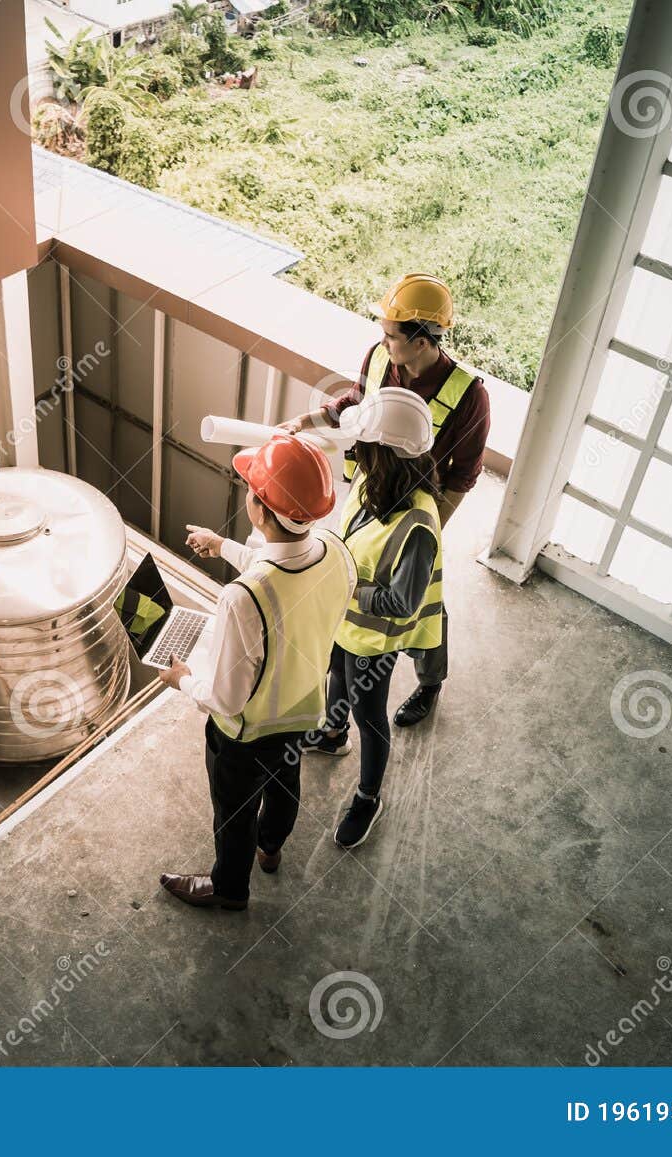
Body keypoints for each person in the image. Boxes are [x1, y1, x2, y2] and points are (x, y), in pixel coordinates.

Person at [156, 434, 357, 911]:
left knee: (234, 810)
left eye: (251, 488)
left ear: (261, 510)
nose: (247, 492)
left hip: (244, 735)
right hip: (302, 711)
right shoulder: (336, 550)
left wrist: (183, 678)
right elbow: (286, 567)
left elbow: (226, 700)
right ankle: (270, 848)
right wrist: (221, 545)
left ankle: (229, 889)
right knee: (285, 784)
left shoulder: (242, 598)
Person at [283, 273, 490, 728]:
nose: (383, 341)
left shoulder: (468, 397)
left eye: (392, 335)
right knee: (350, 577)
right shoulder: (381, 357)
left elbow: (464, 475)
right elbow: (354, 402)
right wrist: (304, 421)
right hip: (368, 496)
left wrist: (428, 530)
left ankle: (430, 682)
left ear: (422, 341)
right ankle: (340, 673)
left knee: (425, 604)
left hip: (414, 508)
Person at [303, 389, 444, 849]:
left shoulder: (418, 526)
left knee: (369, 714)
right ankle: (332, 734)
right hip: (344, 622)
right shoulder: (373, 480)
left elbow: (402, 602)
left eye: (362, 444)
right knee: (335, 677)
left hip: (374, 641)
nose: (355, 451)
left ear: (384, 453)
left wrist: (346, 587)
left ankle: (368, 797)